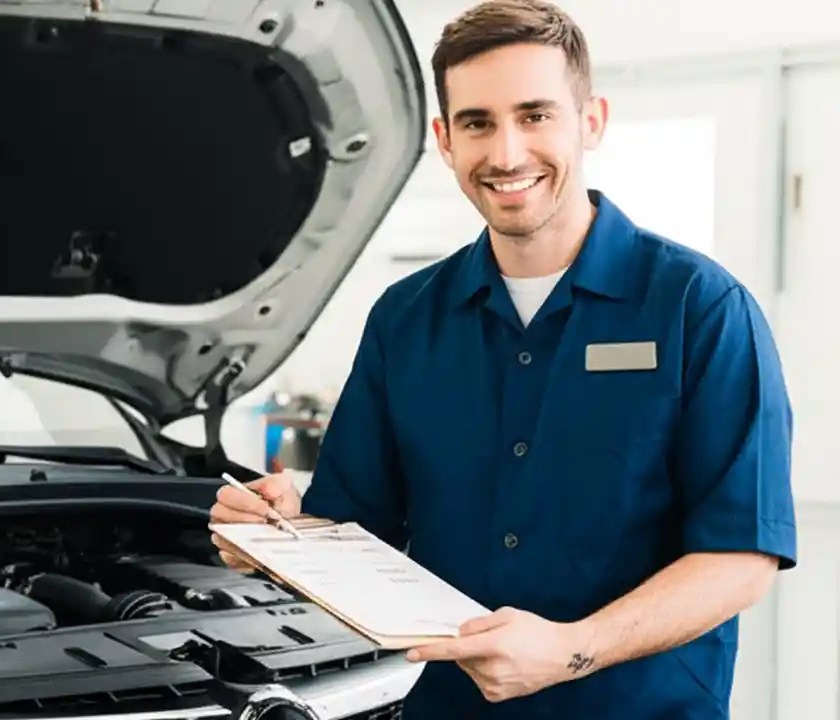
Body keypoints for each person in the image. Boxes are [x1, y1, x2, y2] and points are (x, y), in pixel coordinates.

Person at [208, 1, 797, 717]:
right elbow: (354, 526)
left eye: (536, 114)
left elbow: (740, 558)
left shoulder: (699, 309)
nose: (507, 153)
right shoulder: (406, 318)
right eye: (477, 122)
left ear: (592, 121)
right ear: (445, 139)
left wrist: (572, 646)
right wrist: (280, 537)